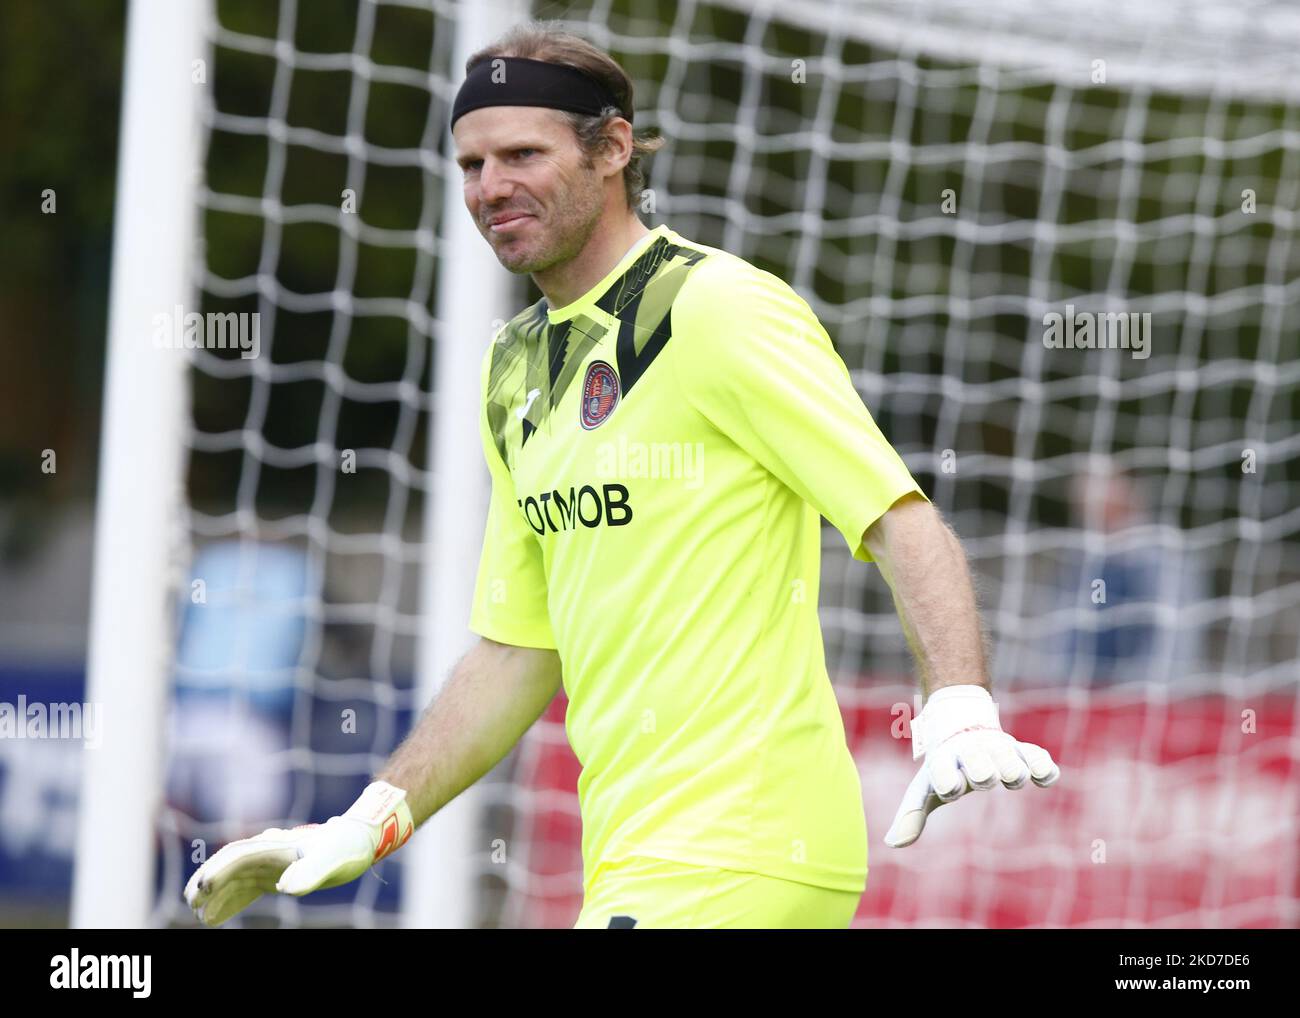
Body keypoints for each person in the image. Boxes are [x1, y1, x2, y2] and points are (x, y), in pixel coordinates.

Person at [185, 22, 1059, 930]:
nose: (492, 188)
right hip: (638, 862)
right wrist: (371, 820)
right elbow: (520, 649)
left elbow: (895, 513)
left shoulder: (717, 306)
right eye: (472, 165)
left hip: (745, 844)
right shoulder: (513, 368)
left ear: (612, 149)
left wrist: (956, 703)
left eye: (522, 153)